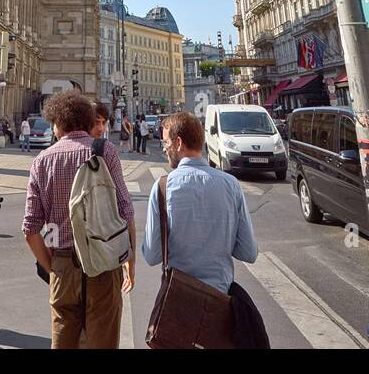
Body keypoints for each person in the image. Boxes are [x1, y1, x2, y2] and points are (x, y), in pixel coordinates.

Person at [23, 89, 135, 349]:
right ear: (86, 119)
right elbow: (126, 211)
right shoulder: (105, 151)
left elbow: (30, 229)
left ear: (57, 122)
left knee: (63, 341)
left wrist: (53, 268)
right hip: (104, 262)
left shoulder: (42, 160)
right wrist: (130, 263)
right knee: (103, 341)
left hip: (63, 264)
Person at [143, 111, 264, 348]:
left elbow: (152, 255)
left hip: (178, 305)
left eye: (166, 142)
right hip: (219, 304)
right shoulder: (230, 184)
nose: (165, 148)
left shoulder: (163, 187)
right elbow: (248, 253)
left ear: (178, 143)